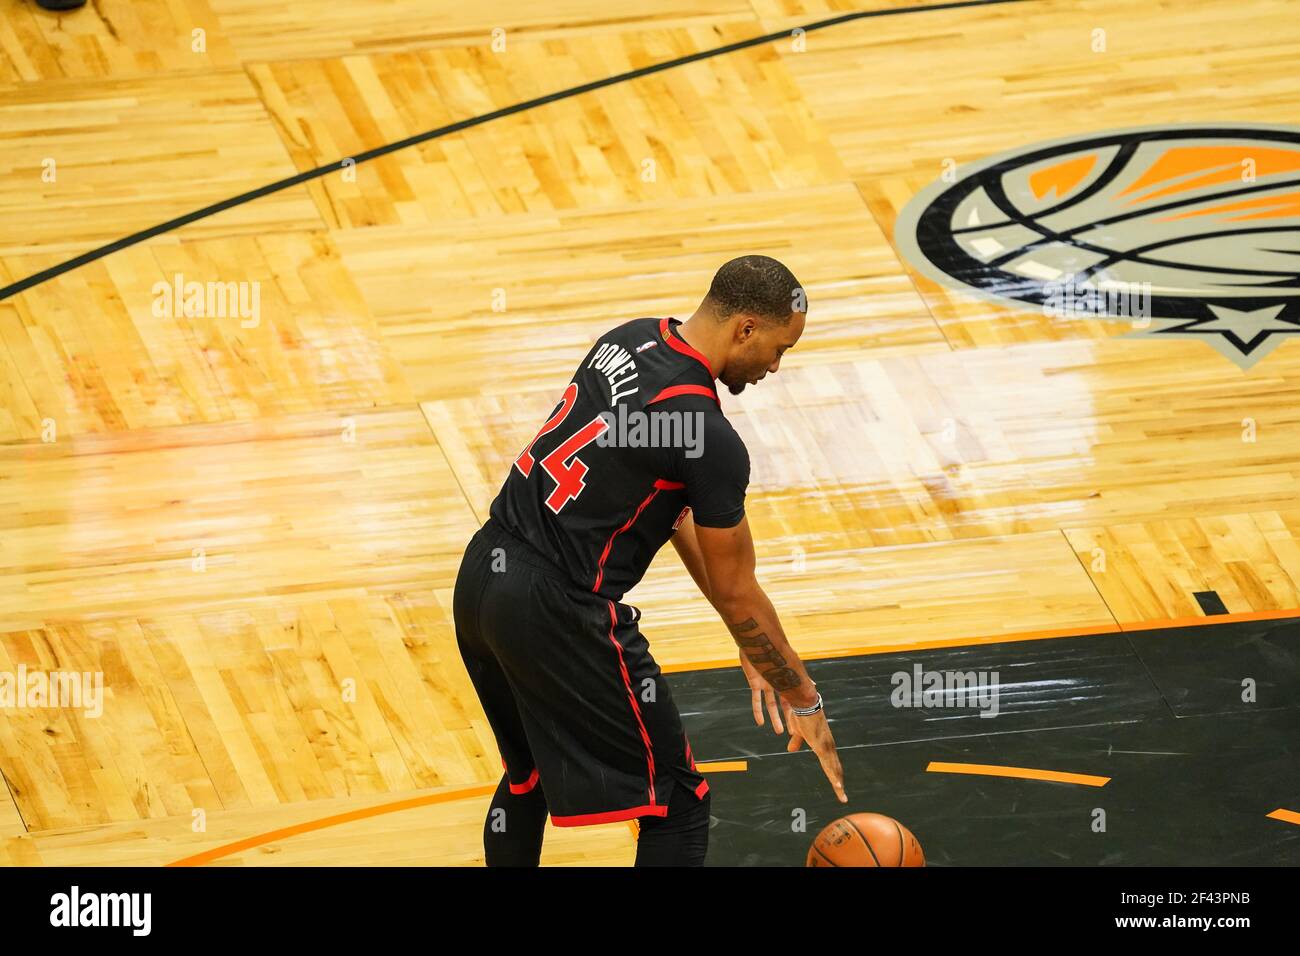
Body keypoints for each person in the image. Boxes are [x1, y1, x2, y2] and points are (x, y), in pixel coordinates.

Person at [454, 255, 846, 867]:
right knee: (678, 803)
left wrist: (746, 635)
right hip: (557, 609)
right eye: (778, 349)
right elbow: (739, 589)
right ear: (745, 328)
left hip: (485, 573)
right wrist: (803, 697)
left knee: (525, 776)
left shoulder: (627, 339)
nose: (775, 366)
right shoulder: (711, 439)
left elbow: (672, 512)